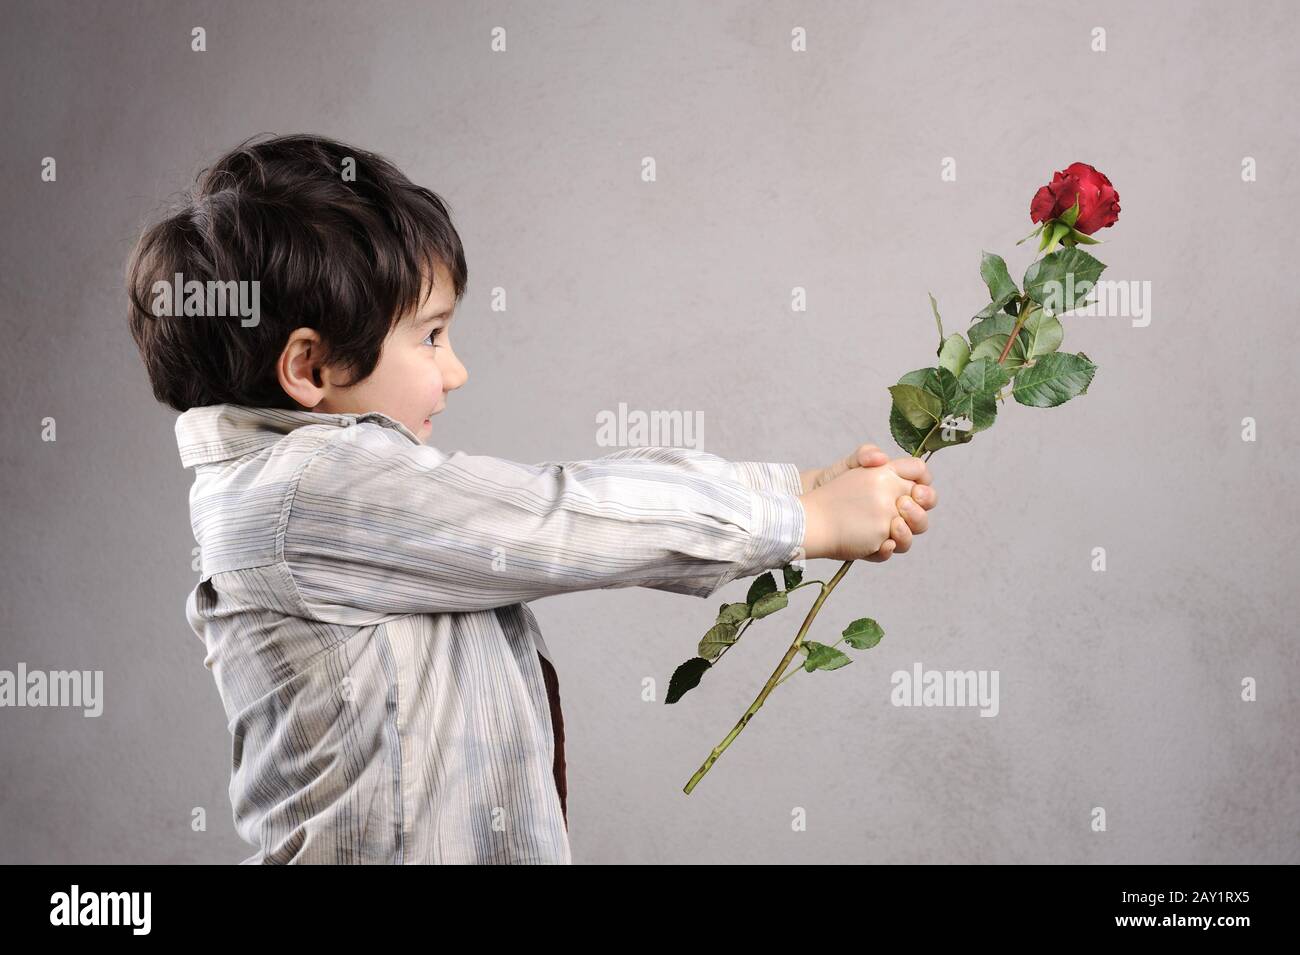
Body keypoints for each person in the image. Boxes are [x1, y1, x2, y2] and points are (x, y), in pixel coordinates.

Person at [125, 133, 938, 864]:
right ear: (310, 369)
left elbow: (548, 505)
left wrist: (787, 485)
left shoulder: (310, 488)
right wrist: (806, 521)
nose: (454, 369)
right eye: (431, 335)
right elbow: (562, 517)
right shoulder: (307, 492)